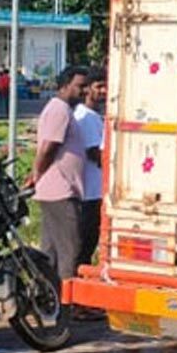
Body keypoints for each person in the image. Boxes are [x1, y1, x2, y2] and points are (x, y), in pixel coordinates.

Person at [28, 66, 89, 296]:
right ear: (64, 86)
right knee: (69, 250)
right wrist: (37, 173)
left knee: (52, 252)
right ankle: (65, 303)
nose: (84, 91)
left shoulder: (62, 110)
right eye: (80, 86)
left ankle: (47, 299)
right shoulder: (59, 110)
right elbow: (48, 148)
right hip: (60, 191)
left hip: (56, 190)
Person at [74, 69, 107, 268]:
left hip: (94, 191)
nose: (103, 91)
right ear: (87, 89)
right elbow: (95, 154)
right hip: (89, 192)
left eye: (105, 86)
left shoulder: (93, 116)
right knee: (84, 244)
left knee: (89, 242)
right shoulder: (86, 117)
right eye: (98, 86)